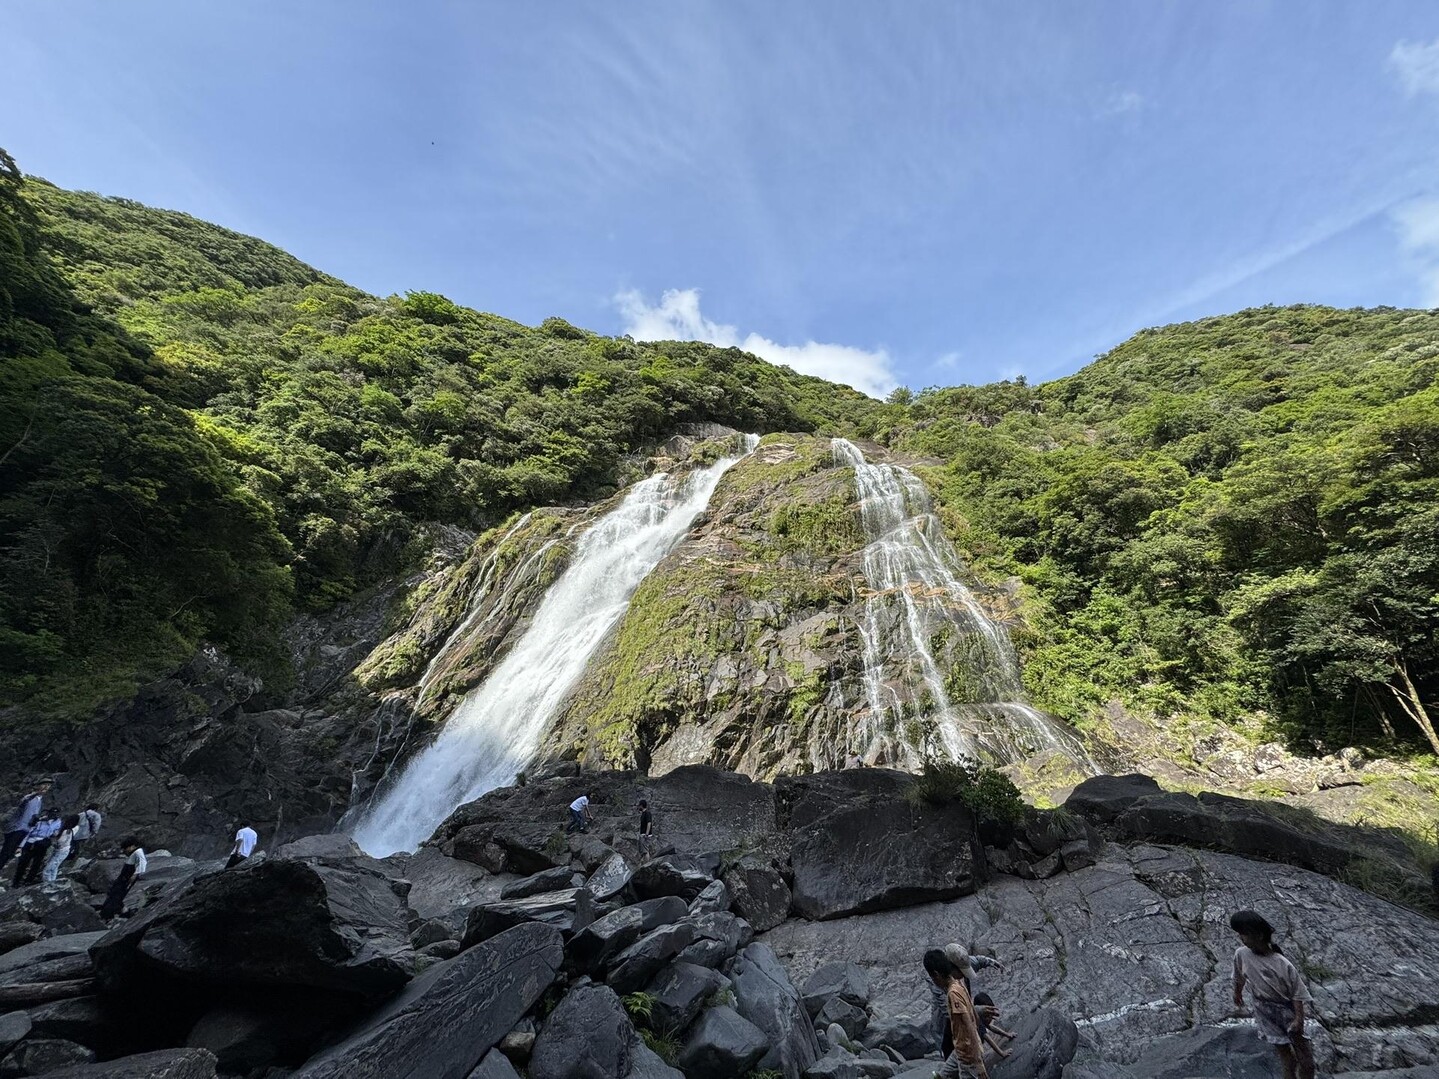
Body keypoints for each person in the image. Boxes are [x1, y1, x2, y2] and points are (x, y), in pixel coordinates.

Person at [1230, 910, 1315, 1079]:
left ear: (1259, 935)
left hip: (1286, 1010)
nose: (1241, 938)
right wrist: (1237, 994)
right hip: (1263, 1009)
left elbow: (1297, 992)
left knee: (1304, 1057)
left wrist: (1299, 1019)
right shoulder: (1241, 954)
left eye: (1244, 934)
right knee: (1285, 1055)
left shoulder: (1281, 963)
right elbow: (1239, 977)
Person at [923, 949, 989, 1079]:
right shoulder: (959, 984)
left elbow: (969, 1025)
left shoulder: (953, 994)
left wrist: (978, 1063)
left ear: (936, 975)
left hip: (968, 1056)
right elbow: (974, 1018)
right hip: (961, 1049)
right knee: (942, 1075)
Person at [0, 779, 51, 872]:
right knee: (6, 852)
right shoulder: (31, 798)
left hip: (25, 829)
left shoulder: (39, 801)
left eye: (48, 785)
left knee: (10, 854)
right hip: (17, 828)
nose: (46, 787)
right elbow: (24, 801)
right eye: (45, 784)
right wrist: (35, 793)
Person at [99, 837, 147, 922]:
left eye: (127, 848)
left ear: (132, 846)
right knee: (114, 893)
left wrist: (135, 874)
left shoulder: (138, 852)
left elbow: (142, 863)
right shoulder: (135, 853)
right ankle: (119, 911)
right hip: (124, 876)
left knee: (117, 895)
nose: (126, 850)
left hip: (127, 877)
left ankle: (109, 914)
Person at [12, 811, 61, 887]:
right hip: (31, 842)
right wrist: (21, 846)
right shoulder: (40, 821)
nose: (54, 816)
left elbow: (55, 832)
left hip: (42, 843)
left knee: (36, 863)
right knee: (23, 863)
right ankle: (16, 881)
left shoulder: (58, 822)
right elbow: (29, 833)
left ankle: (28, 880)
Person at [971, 991, 1015, 1059]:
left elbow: (990, 1027)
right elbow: (988, 1038)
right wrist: (1002, 1053)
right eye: (987, 1015)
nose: (990, 1018)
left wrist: (1007, 1034)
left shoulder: (979, 1018)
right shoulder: (976, 1022)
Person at [42, 815, 79, 883]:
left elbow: (60, 842)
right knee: (54, 867)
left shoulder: (66, 831)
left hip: (61, 850)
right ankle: (52, 880)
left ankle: (47, 882)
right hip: (64, 850)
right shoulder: (72, 829)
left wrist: (53, 841)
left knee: (49, 868)